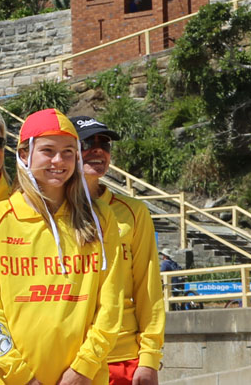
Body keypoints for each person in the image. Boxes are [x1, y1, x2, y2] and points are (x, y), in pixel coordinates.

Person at [0, 109, 122, 385]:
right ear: (25, 154)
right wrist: (21, 376)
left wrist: (83, 369)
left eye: (68, 151)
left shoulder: (101, 219)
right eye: (48, 150)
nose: (59, 161)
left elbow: (111, 306)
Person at [73, 116, 165, 385]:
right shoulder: (49, 213)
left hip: (122, 357)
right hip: (67, 357)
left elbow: (148, 289)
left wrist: (149, 357)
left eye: (105, 144)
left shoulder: (134, 212)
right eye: (88, 142)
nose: (98, 149)